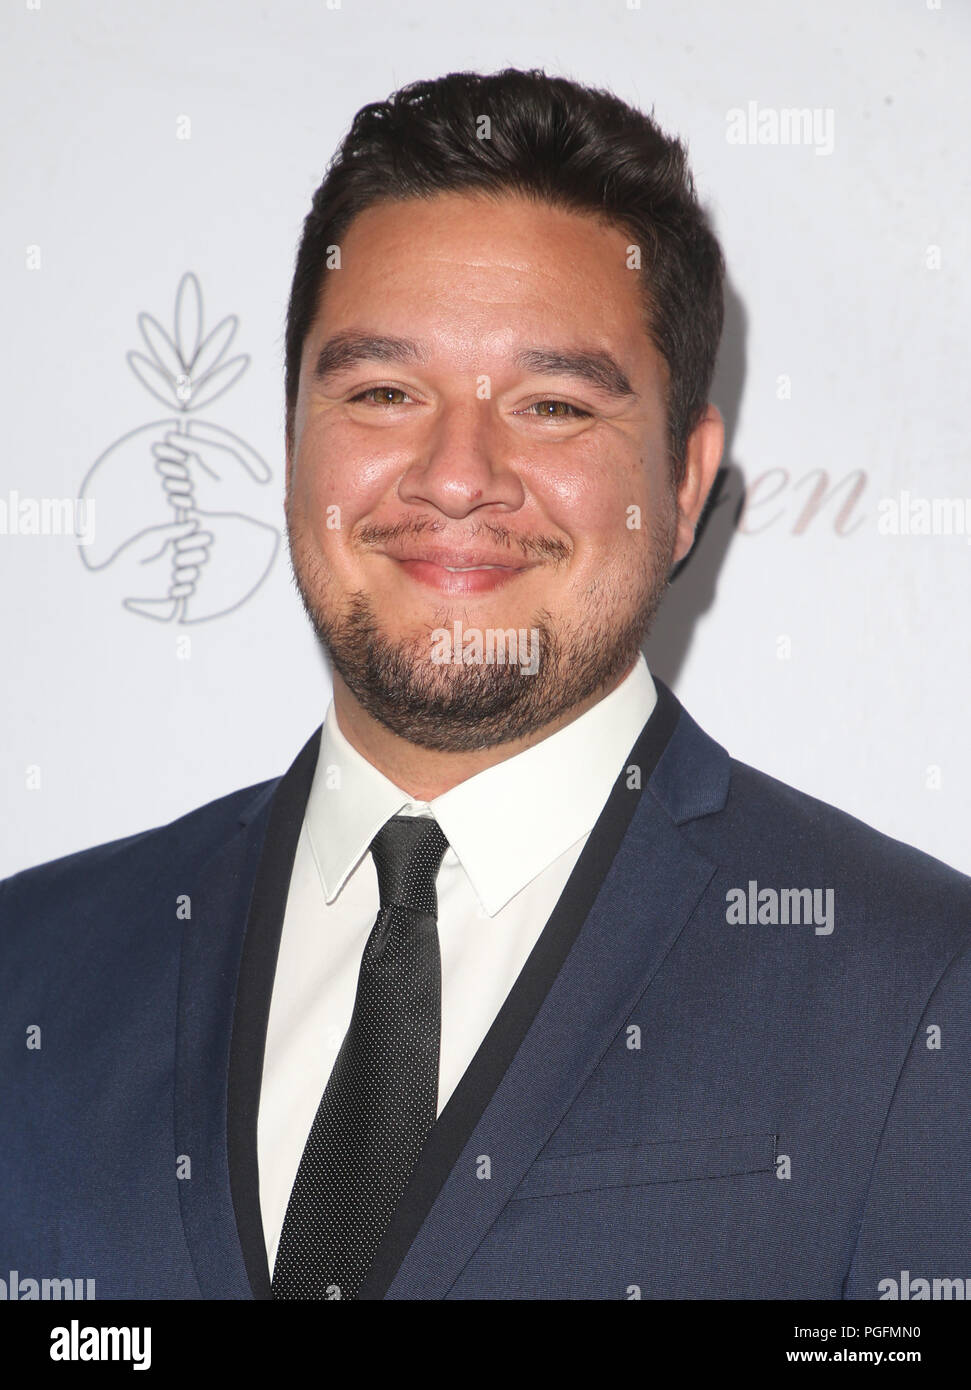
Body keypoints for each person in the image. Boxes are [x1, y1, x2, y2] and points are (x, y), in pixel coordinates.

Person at [2, 68, 969, 1303]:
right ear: (292, 438)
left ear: (683, 484)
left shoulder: (915, 997)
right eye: (382, 393)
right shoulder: (30, 970)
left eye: (553, 404)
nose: (456, 476)